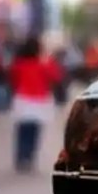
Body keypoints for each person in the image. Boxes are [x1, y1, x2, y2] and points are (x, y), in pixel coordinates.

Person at [8, 36, 61, 172]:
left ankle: (21, 157)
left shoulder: (18, 63)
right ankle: (29, 158)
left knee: (22, 130)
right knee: (34, 131)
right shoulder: (43, 63)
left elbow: (13, 79)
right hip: (39, 100)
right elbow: (56, 76)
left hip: (22, 99)